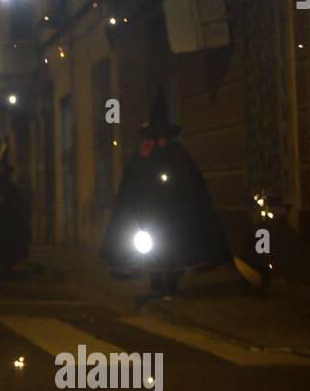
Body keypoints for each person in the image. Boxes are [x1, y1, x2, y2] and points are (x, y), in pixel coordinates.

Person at [98, 94, 230, 299]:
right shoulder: (141, 156)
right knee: (151, 254)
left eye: (162, 136)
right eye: (155, 136)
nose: (159, 141)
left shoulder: (178, 154)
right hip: (148, 216)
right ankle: (157, 285)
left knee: (174, 253)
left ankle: (171, 285)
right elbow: (131, 187)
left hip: (173, 218)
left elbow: (191, 187)